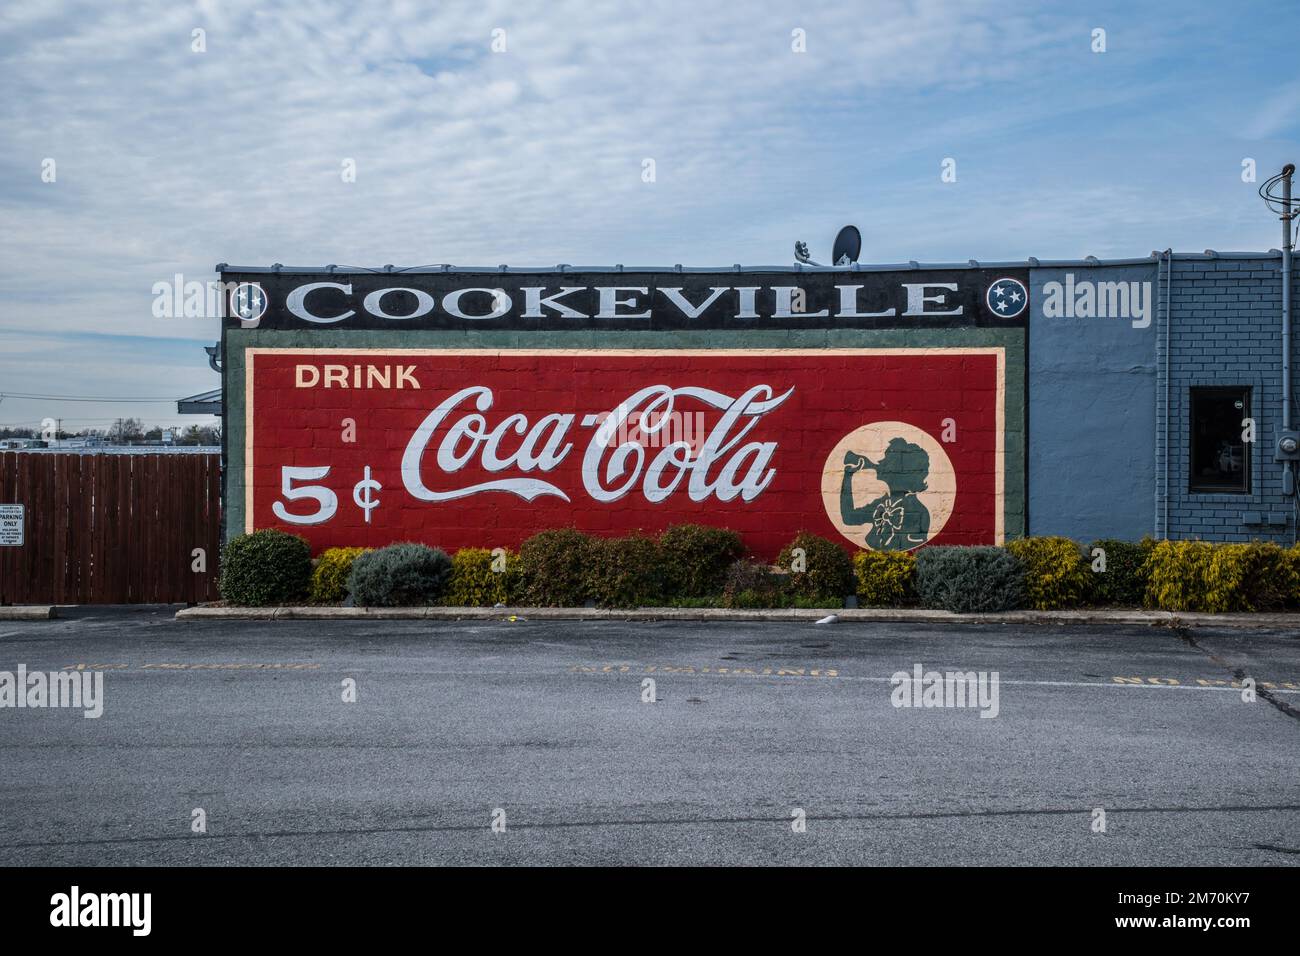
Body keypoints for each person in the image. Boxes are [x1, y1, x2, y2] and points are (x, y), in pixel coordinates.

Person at [839, 437, 931, 550]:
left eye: (886, 460)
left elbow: (910, 552)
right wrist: (848, 475)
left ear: (900, 470)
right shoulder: (883, 502)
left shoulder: (918, 512)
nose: (880, 462)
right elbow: (849, 518)